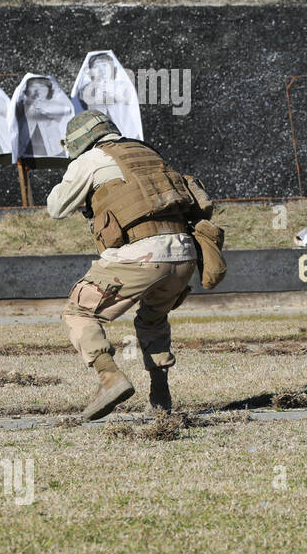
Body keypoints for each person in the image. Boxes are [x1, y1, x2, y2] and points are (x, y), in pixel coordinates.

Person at [47, 111, 201, 419]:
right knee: (152, 319)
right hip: (185, 253)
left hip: (142, 254)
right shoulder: (147, 151)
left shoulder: (90, 160)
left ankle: (109, 377)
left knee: (79, 312)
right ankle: (160, 396)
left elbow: (56, 206)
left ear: (80, 141)